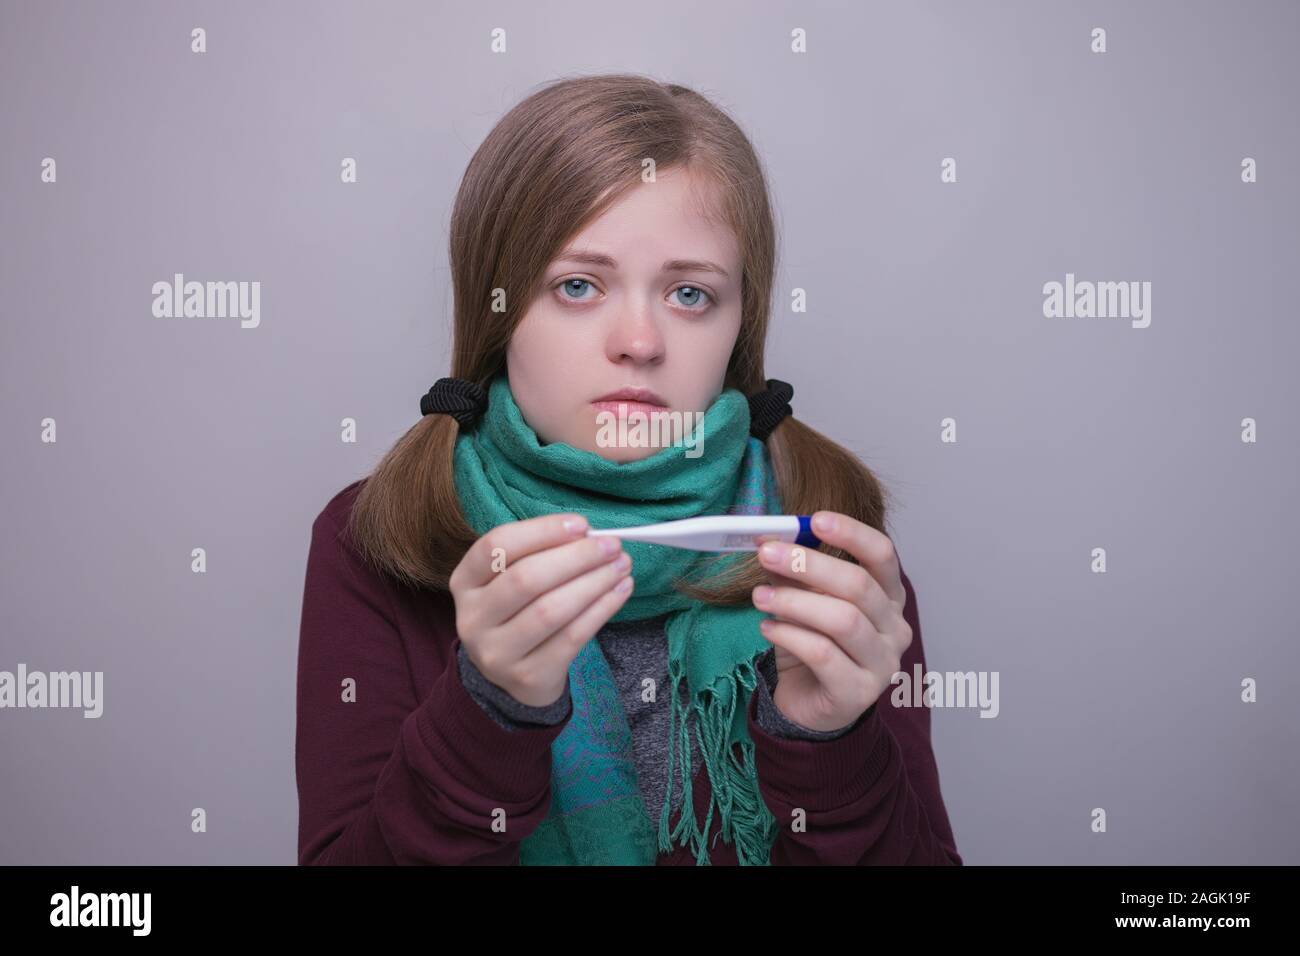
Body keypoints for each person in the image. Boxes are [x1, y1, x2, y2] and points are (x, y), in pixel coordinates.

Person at [295, 73, 961, 866]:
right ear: (496, 308)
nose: (640, 342)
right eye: (578, 286)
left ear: (741, 321)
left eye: (689, 293)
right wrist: (486, 712)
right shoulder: (375, 538)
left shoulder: (825, 544)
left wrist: (828, 744)